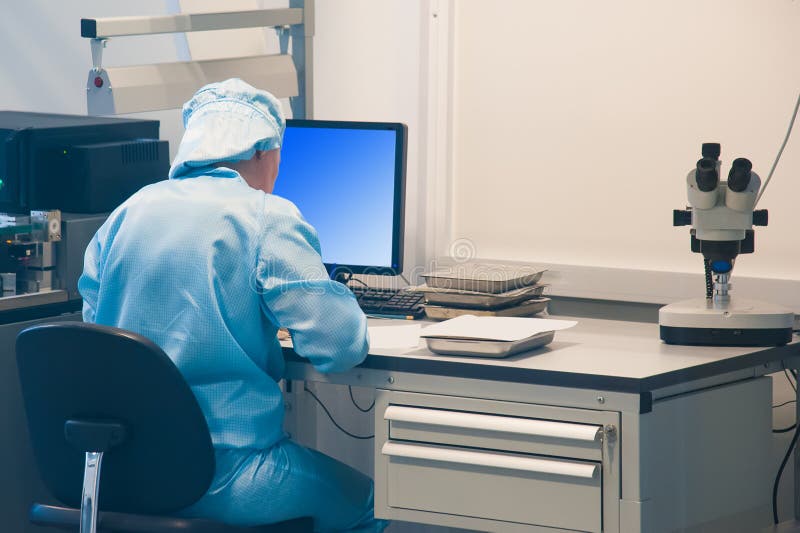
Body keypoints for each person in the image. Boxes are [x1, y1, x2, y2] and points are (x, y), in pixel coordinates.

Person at [78, 78, 387, 532]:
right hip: (227, 476)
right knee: (369, 501)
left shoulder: (127, 212)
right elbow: (341, 347)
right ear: (263, 152)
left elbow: (97, 327)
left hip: (123, 470)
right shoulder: (266, 216)